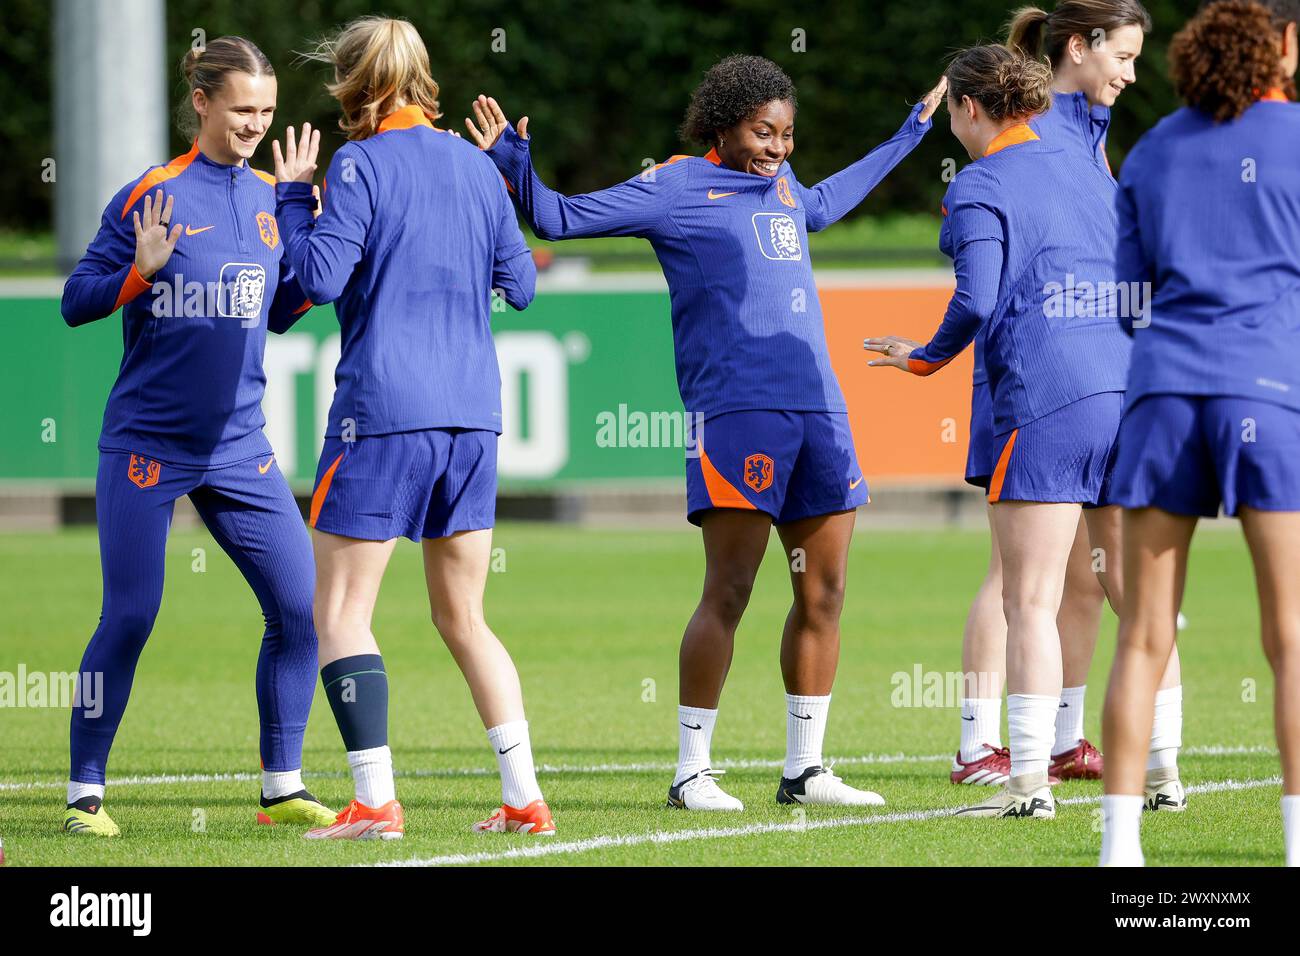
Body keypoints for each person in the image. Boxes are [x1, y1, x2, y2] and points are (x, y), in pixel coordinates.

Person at [465, 55, 945, 810]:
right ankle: (692, 772)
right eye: (764, 132)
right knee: (730, 588)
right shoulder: (676, 186)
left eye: (787, 134)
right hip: (736, 411)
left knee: (825, 592)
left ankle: (805, 770)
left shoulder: (783, 185)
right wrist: (516, 170)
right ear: (724, 123)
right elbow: (558, 219)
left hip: (819, 409)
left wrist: (908, 136)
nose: (778, 148)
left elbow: (821, 203)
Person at [272, 15, 551, 840]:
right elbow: (523, 288)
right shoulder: (474, 164)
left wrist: (293, 197)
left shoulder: (356, 162)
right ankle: (524, 797)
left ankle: (374, 801)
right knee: (465, 617)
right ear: (422, 77)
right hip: (473, 414)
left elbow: (318, 279)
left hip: (384, 414)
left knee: (340, 615)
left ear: (353, 83)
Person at [60, 36, 332, 836]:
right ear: (203, 101)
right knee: (133, 613)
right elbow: (76, 301)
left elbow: (280, 312)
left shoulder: (272, 197)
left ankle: (282, 786)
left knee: (298, 606)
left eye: (269, 111)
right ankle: (84, 792)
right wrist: (139, 271)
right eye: (243, 108)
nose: (256, 124)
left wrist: (308, 238)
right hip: (147, 444)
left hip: (240, 447)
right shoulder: (153, 193)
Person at [866, 43, 1129, 819]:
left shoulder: (980, 182)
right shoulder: (1082, 158)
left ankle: (1025, 784)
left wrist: (923, 360)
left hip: (1045, 400)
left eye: (951, 107)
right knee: (1137, 597)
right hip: (1122, 391)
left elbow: (976, 301)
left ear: (969, 109)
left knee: (1030, 598)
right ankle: (1163, 772)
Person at [1100, 0, 1300, 866]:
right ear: (1279, 54)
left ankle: (1119, 850)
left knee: (1145, 633)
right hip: (1268, 387)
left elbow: (1126, 293)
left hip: (1164, 389)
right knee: (1290, 636)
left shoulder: (1150, 151)